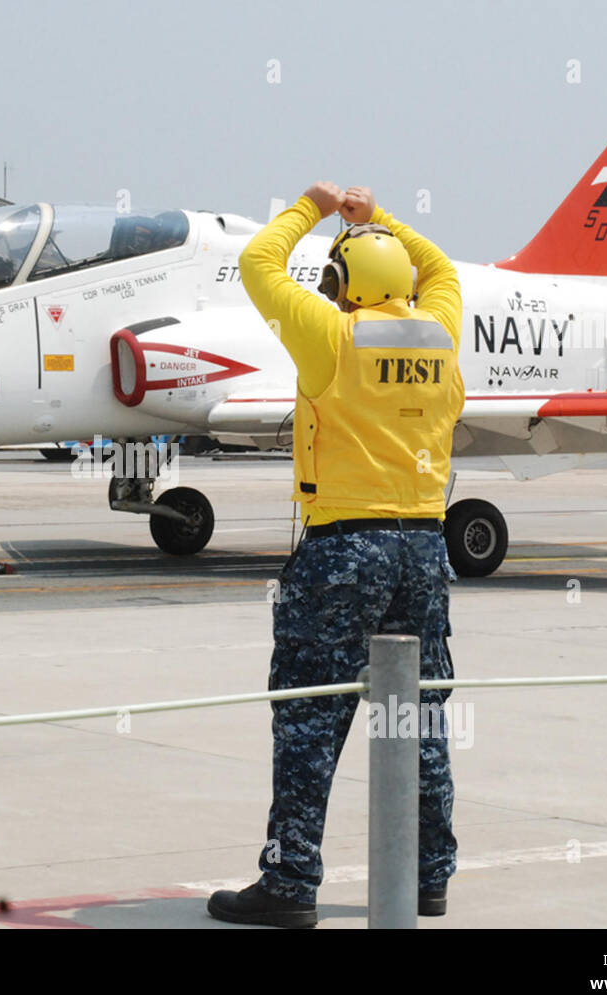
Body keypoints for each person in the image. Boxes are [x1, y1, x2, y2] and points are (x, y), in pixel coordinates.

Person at [205, 183, 464, 929]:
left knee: (310, 719)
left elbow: (260, 263)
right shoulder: (440, 334)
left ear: (345, 286)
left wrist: (310, 207)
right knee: (420, 715)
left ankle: (290, 884)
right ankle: (429, 876)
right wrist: (376, 218)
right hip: (423, 547)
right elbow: (442, 269)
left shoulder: (334, 337)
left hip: (345, 547)